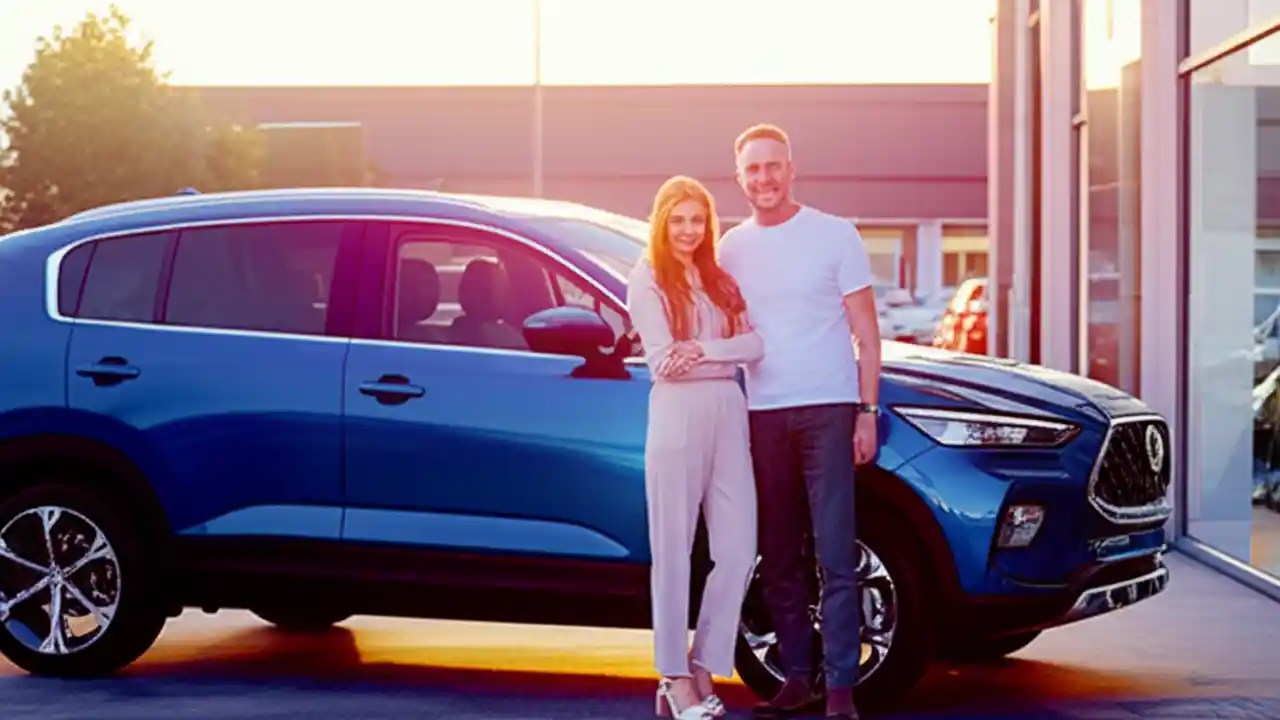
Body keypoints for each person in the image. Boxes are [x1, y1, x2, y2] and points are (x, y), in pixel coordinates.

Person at [717, 124, 881, 720]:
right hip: (763, 414)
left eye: (773, 166)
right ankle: (796, 679)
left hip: (828, 411)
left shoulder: (835, 235)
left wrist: (866, 412)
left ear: (791, 169)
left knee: (836, 553)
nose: (763, 178)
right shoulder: (730, 248)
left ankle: (841, 690)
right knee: (779, 553)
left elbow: (866, 333)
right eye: (752, 169)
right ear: (740, 177)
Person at [627, 175, 764, 719]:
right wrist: (715, 353)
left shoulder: (720, 280)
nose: (688, 230)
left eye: (697, 219)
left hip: (728, 409)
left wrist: (703, 347)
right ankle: (674, 677)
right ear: (662, 223)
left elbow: (756, 344)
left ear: (709, 223)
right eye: (678, 220)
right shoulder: (648, 278)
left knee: (736, 548)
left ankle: (706, 660)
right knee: (673, 550)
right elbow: (662, 361)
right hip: (676, 413)